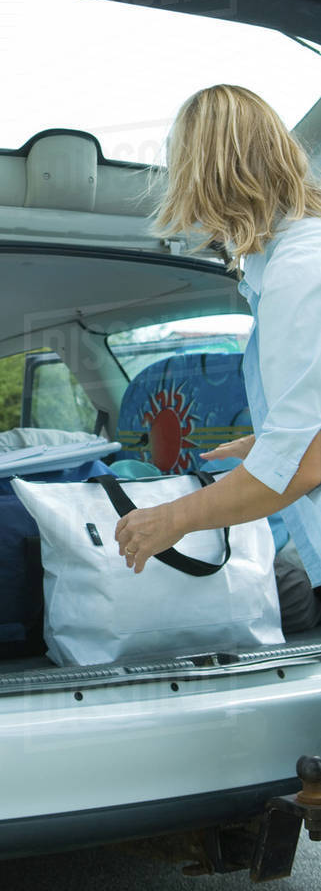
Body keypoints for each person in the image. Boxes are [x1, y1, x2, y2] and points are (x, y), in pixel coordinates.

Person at [115, 84, 321, 575]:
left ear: (202, 176)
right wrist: (267, 443)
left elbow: (304, 463)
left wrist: (171, 519)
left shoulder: (299, 269)